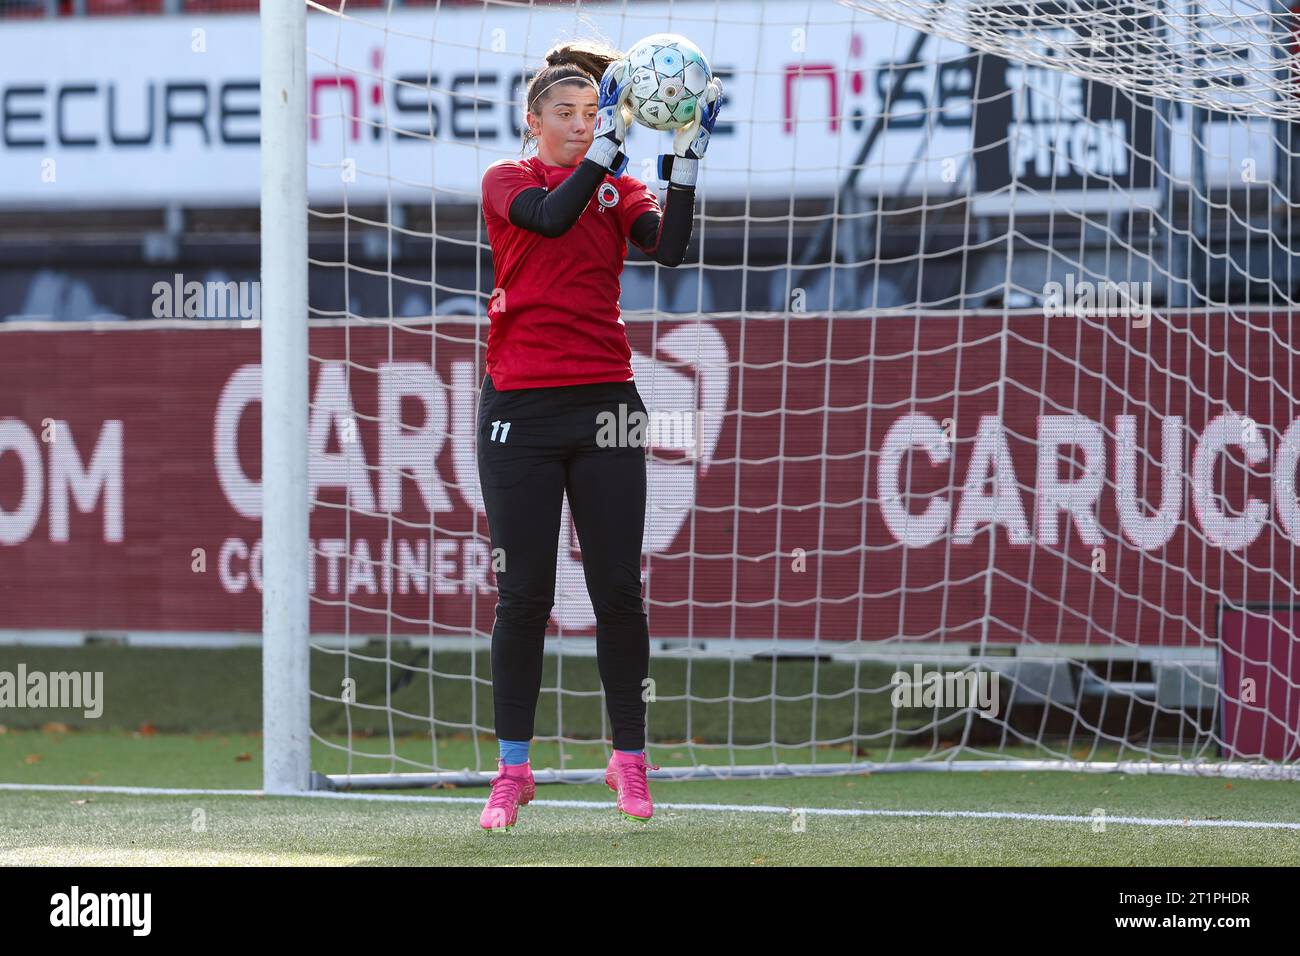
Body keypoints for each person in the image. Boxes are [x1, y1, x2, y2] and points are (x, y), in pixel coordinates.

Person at [475, 38, 722, 830]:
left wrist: (687, 159)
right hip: (520, 410)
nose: (583, 127)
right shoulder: (508, 180)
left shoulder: (620, 188)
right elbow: (550, 220)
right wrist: (612, 153)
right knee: (525, 595)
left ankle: (630, 761)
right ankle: (514, 770)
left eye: (594, 114)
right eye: (568, 115)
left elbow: (673, 249)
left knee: (618, 589)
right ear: (533, 121)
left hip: (606, 406)